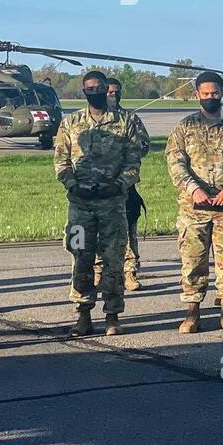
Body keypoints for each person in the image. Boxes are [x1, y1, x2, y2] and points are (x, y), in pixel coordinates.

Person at [54, 70, 143, 337]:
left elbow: (134, 161)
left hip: (113, 204)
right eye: (88, 88)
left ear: (108, 89)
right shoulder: (71, 123)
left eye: (99, 87)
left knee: (113, 260)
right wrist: (74, 186)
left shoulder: (126, 122)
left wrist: (118, 185)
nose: (94, 91)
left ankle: (112, 315)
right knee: (80, 258)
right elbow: (60, 162)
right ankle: (83, 314)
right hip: (79, 207)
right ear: (83, 91)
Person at [166, 71, 223, 334]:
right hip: (194, 208)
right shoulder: (184, 127)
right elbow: (175, 162)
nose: (210, 98)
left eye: (214, 93)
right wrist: (193, 189)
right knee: (193, 261)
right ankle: (192, 313)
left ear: (222, 93)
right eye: (205, 94)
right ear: (197, 95)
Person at [94, 80, 151, 292]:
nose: (112, 95)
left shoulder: (130, 119)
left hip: (124, 185)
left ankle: (130, 272)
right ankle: (97, 272)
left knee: (128, 230)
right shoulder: (90, 120)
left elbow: (143, 146)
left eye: (116, 92)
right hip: (97, 185)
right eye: (109, 92)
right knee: (95, 231)